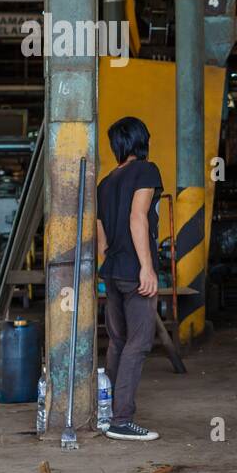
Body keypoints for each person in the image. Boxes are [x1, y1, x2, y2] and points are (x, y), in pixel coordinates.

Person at [95, 116, 163, 442]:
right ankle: (122, 420)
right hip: (135, 272)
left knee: (118, 342)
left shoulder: (106, 182)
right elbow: (138, 218)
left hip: (111, 270)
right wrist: (146, 268)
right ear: (141, 140)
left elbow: (101, 235)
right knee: (138, 344)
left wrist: (109, 260)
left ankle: (106, 414)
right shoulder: (146, 171)